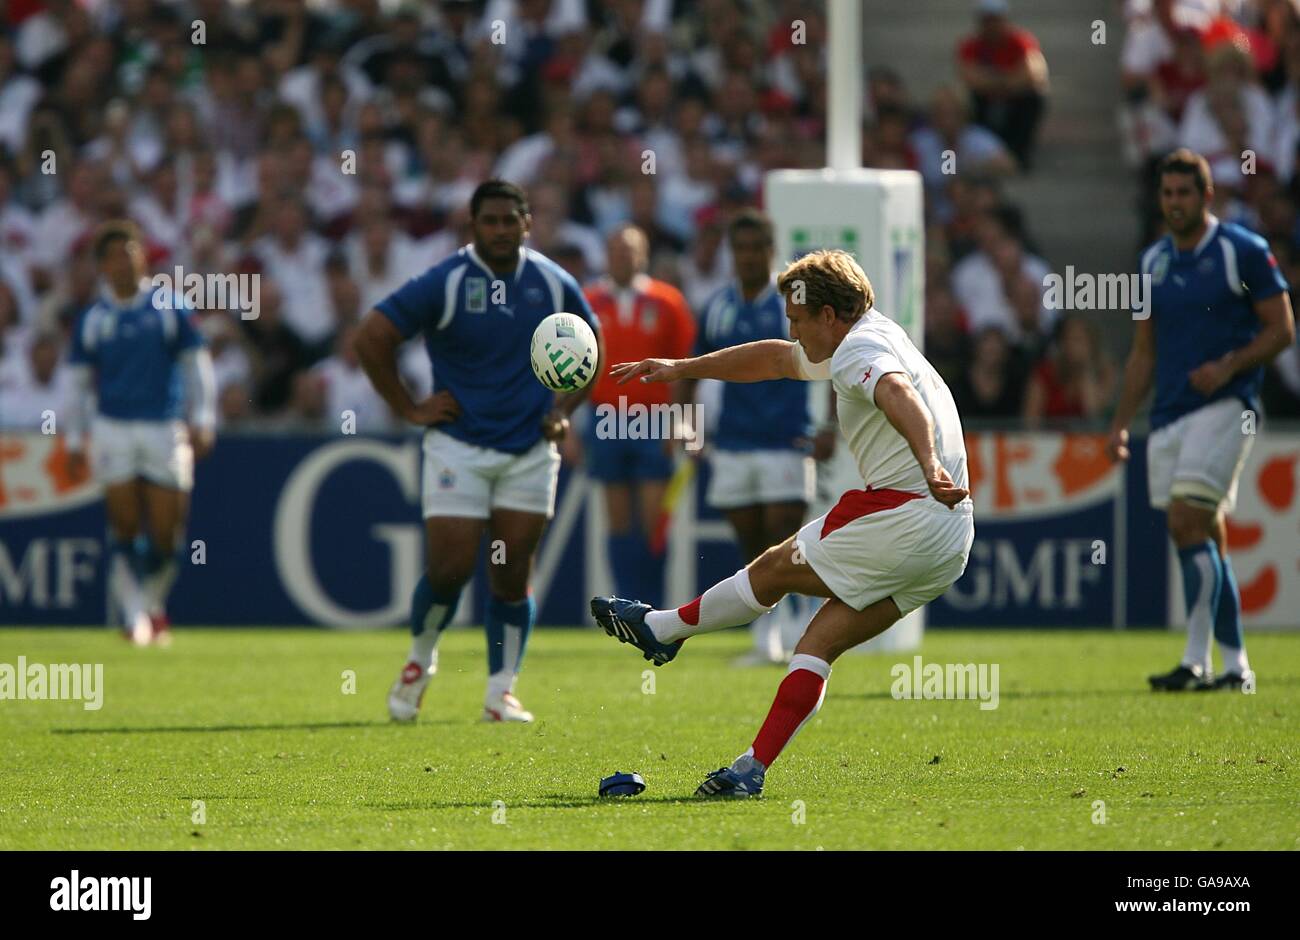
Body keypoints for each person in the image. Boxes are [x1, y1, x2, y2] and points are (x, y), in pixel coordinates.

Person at [591, 249, 973, 797]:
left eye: (798, 321)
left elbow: (897, 393)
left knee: (773, 568)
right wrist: (684, 367)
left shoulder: (858, 350)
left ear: (828, 316)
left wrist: (929, 463)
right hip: (949, 541)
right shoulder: (866, 333)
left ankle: (663, 629)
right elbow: (773, 360)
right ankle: (750, 770)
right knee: (815, 645)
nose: (793, 332)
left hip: (904, 510)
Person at [355, 179, 603, 724]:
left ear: (526, 223)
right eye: (488, 221)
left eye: (508, 220)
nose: (499, 230)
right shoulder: (445, 281)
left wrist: (563, 411)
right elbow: (371, 335)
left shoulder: (552, 282)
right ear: (473, 226)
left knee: (512, 574)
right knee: (448, 568)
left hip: (529, 447)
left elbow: (594, 344)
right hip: (458, 445)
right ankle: (420, 661)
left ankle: (500, 691)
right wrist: (409, 408)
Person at [1108, 149, 1295, 691]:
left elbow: (1282, 328)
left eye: (1184, 193)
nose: (1174, 203)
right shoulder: (1152, 262)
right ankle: (1235, 667)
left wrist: (1230, 365)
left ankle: (1196, 661)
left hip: (1227, 408)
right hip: (1168, 415)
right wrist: (1121, 422)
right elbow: (1143, 352)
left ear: (1207, 196)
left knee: (1186, 521)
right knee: (1204, 538)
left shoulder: (1244, 251)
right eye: (1167, 193)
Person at [688, 209, 834, 665]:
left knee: (783, 535)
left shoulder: (792, 303)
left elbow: (828, 362)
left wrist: (829, 425)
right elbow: (695, 369)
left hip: (786, 439)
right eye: (741, 249)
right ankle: (767, 634)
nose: (748, 257)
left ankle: (799, 628)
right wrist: (687, 425)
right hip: (733, 442)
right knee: (752, 544)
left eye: (757, 248)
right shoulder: (717, 305)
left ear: (771, 251)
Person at [65, 220, 217, 646]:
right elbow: (75, 385)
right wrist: (75, 439)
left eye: (130, 250)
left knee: (168, 533)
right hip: (113, 427)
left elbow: (196, 366)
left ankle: (150, 603)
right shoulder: (93, 318)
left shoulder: (170, 307)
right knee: (124, 524)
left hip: (163, 427)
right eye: (114, 254)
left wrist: (203, 419)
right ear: (102, 266)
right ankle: (136, 618)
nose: (124, 260)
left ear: (143, 256)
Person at [579, 223, 695, 609]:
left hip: (654, 418)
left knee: (653, 521)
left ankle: (654, 606)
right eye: (615, 250)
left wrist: (682, 419)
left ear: (643, 255)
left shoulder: (667, 301)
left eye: (629, 250)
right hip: (606, 415)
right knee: (617, 521)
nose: (621, 258)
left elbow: (684, 366)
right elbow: (573, 365)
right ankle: (624, 605)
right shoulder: (588, 301)